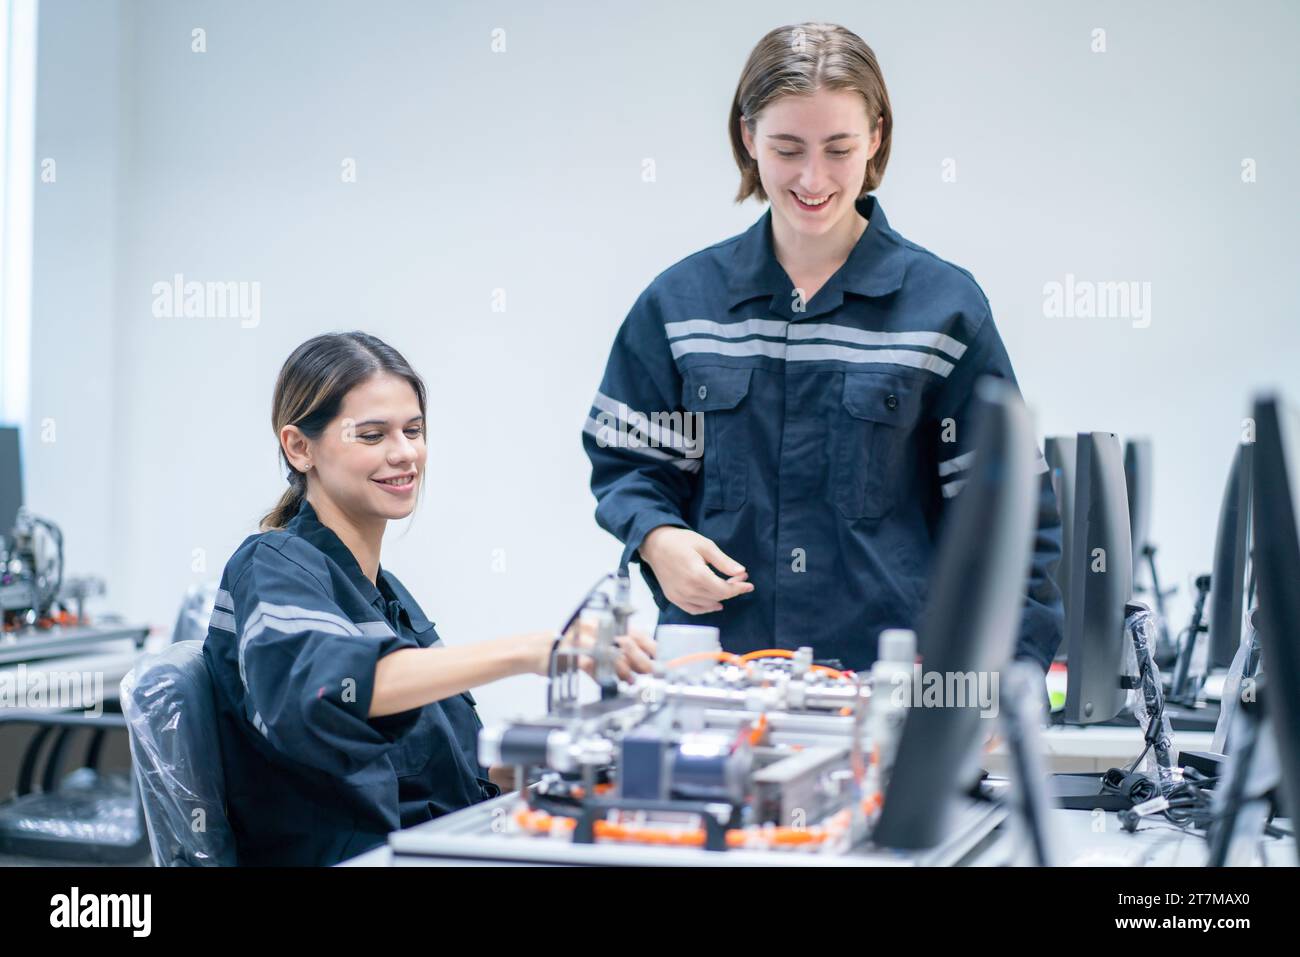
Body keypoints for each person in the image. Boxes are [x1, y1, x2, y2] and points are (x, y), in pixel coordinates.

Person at [583, 22, 1063, 673]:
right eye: (787, 148)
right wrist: (658, 538)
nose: (813, 178)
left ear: (877, 137)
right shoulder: (681, 305)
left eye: (838, 148)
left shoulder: (942, 310)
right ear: (748, 137)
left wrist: (1004, 683)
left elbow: (1010, 517)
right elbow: (628, 461)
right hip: (717, 687)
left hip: (887, 693)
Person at [204, 332, 653, 865]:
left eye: (413, 431)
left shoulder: (384, 597)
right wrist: (534, 651)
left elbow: (435, 766)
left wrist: (558, 765)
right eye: (371, 435)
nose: (404, 453)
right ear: (300, 447)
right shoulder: (271, 564)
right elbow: (322, 692)